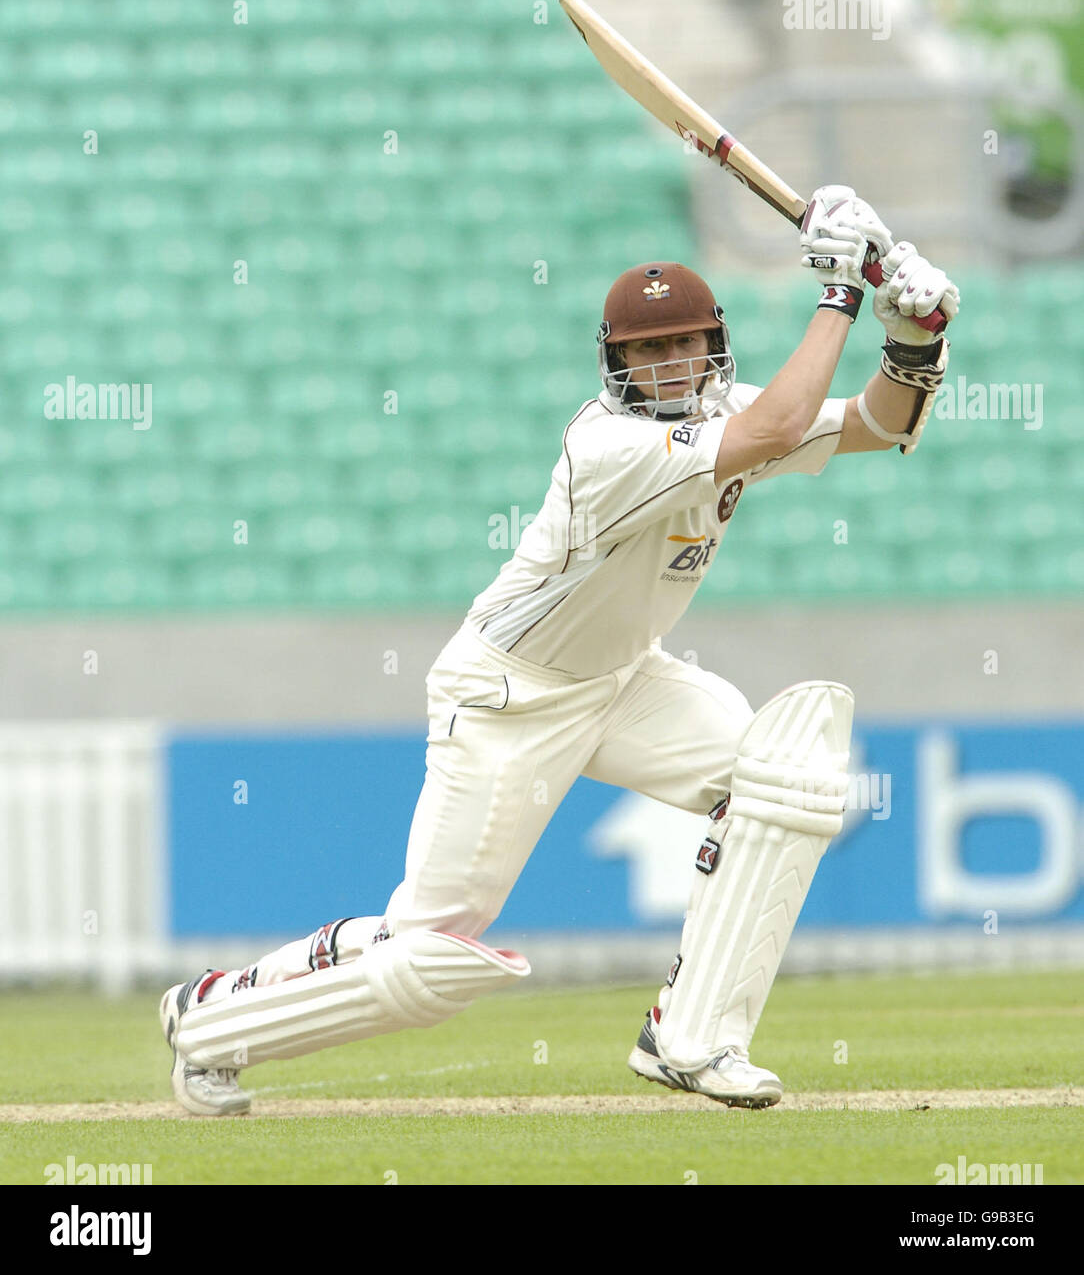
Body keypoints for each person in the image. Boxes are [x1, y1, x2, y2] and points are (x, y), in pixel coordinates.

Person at [160, 185, 959, 1116]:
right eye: (645, 350)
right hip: (510, 698)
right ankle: (211, 1021)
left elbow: (879, 424)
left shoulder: (729, 411)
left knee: (785, 780)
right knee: (429, 953)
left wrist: (918, 335)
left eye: (682, 344)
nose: (667, 363)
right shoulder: (609, 446)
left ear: (713, 346)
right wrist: (840, 293)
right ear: (616, 364)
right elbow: (777, 427)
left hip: (625, 680)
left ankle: (692, 1038)